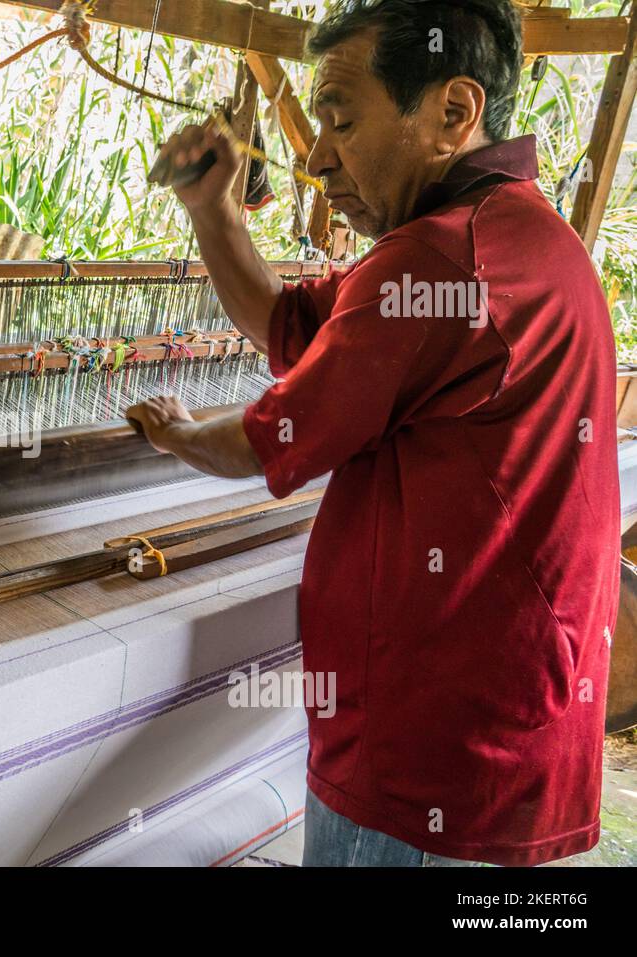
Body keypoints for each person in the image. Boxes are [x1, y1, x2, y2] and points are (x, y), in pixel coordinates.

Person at [126, 0, 619, 866]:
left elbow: (266, 439)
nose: (317, 159)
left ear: (452, 113)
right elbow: (294, 327)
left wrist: (175, 432)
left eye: (341, 120)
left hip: (429, 775)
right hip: (510, 749)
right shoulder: (519, 238)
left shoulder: (440, 259)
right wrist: (214, 212)